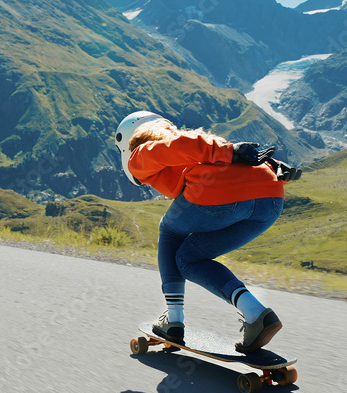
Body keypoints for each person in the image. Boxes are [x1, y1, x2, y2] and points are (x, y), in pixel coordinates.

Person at [114, 111, 301, 352]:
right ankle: (257, 315)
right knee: (189, 259)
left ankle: (174, 320)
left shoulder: (141, 154)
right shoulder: (197, 146)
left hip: (218, 194)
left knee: (169, 230)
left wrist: (228, 152)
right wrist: (272, 168)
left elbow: (170, 149)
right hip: (271, 200)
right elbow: (240, 165)